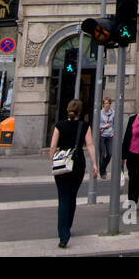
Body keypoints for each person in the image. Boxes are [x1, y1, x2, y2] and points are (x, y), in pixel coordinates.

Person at [49, 98, 97, 249]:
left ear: (68, 110)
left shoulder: (59, 125)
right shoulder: (84, 126)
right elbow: (90, 145)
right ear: (80, 111)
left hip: (62, 165)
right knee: (72, 197)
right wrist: (94, 164)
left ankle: (63, 235)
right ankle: (67, 227)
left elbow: (52, 146)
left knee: (63, 198)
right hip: (77, 165)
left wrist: (53, 161)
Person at [97, 96, 115, 178]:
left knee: (110, 153)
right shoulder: (100, 113)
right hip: (102, 135)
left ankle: (103, 167)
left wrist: (113, 132)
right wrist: (104, 126)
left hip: (110, 135)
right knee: (102, 154)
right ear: (103, 105)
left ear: (110, 104)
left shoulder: (113, 113)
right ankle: (102, 172)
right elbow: (97, 125)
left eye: (108, 103)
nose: (106, 105)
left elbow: (114, 123)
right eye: (105, 103)